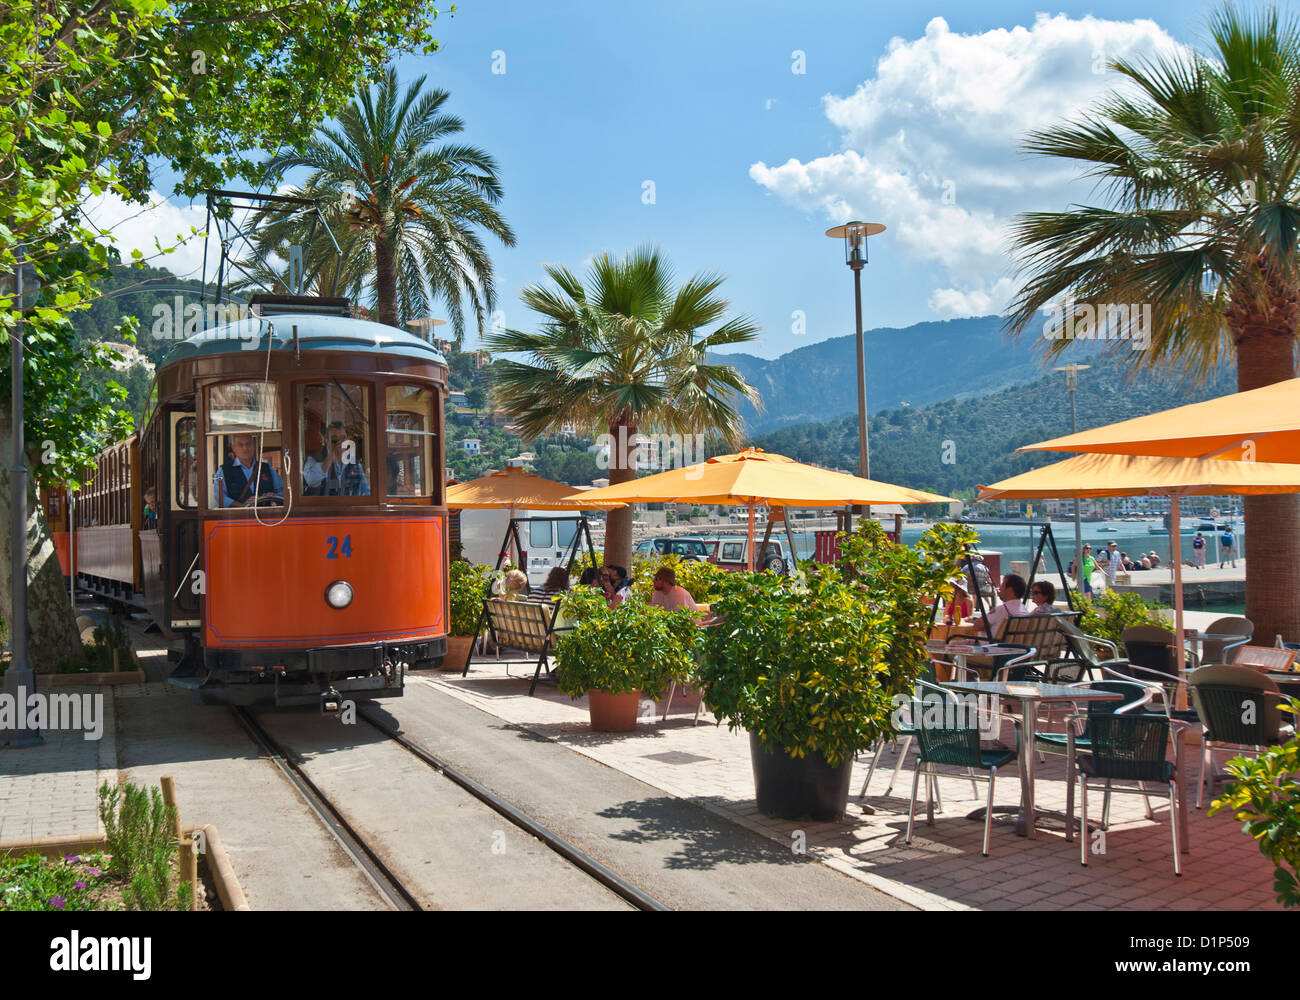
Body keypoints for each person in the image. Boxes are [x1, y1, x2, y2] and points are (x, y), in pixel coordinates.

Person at [303, 422, 370, 497]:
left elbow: (366, 492)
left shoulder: (354, 464)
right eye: (334, 439)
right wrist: (330, 457)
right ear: (326, 440)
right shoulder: (313, 459)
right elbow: (311, 481)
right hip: (321, 507)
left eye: (342, 438)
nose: (339, 443)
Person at [217, 433, 283, 507]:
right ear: (233, 448)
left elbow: (283, 492)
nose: (245, 448)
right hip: (236, 517)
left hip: (264, 516)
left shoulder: (266, 468)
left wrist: (273, 496)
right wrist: (243, 506)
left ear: (254, 446)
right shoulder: (223, 470)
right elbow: (220, 498)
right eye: (240, 445)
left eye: (248, 444)